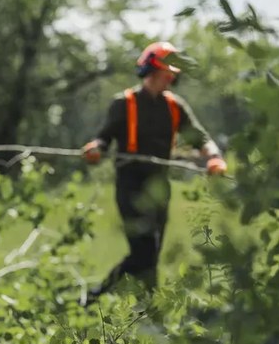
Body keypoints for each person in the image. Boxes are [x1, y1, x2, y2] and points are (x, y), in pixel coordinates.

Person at [81, 41, 229, 302]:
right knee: (143, 251)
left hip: (160, 185)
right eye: (165, 75)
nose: (168, 81)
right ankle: (99, 294)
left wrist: (214, 158)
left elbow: (201, 138)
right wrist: (95, 149)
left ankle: (143, 313)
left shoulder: (175, 106)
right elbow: (103, 139)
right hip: (130, 184)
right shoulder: (123, 104)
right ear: (150, 71)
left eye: (172, 76)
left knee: (153, 254)